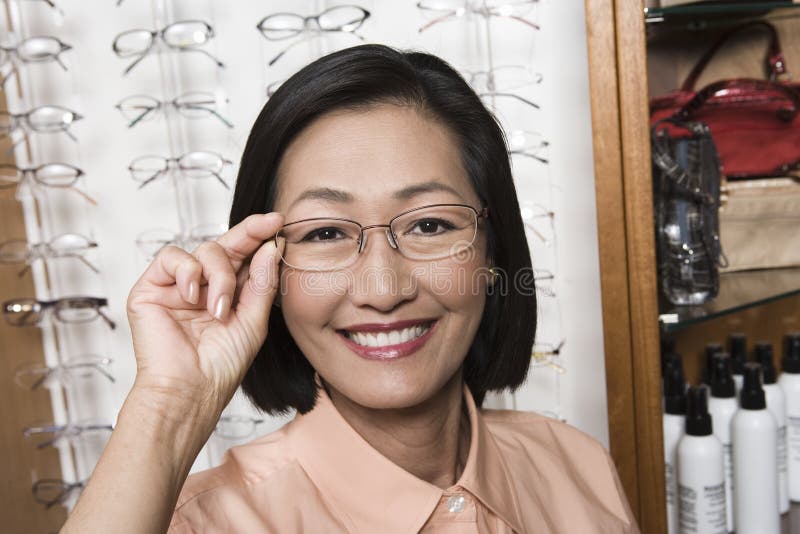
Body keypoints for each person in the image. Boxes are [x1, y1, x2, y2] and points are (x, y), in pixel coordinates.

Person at [61, 44, 639, 533]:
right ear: (267, 273)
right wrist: (168, 408)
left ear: (492, 252)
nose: (383, 289)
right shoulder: (202, 523)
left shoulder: (577, 465)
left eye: (429, 225)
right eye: (325, 233)